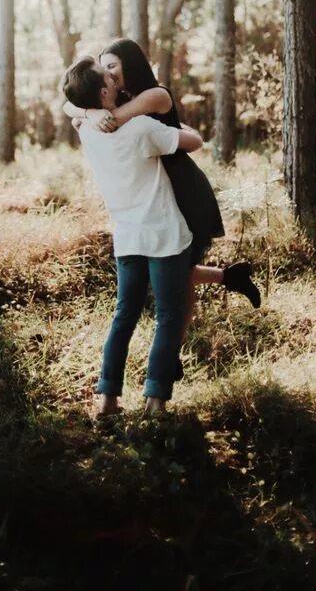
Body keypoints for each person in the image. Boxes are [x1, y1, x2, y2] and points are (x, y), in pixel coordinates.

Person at [64, 37, 261, 323]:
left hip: (182, 187)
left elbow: (112, 122)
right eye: (104, 68)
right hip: (158, 188)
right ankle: (229, 278)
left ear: (129, 64)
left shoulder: (154, 95)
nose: (108, 74)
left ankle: (178, 341)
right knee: (172, 269)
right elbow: (69, 106)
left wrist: (89, 113)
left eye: (112, 66)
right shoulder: (125, 98)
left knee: (177, 272)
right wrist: (86, 111)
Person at [62, 56, 201, 418]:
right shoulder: (141, 129)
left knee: (124, 315)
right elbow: (195, 141)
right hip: (164, 234)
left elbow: (70, 107)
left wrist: (89, 112)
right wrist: (173, 123)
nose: (113, 76)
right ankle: (155, 402)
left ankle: (108, 400)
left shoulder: (87, 130)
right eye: (107, 76)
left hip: (127, 236)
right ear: (104, 92)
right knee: (169, 315)